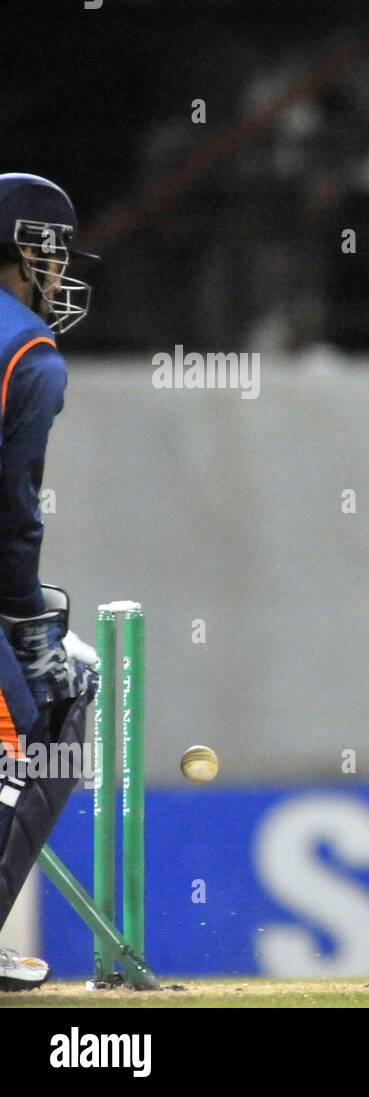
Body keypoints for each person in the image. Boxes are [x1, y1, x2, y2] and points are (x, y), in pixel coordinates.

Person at [0, 173, 99, 991]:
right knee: (59, 709)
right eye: (54, 254)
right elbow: (13, 518)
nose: (59, 274)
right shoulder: (29, 350)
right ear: (25, 248)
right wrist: (33, 631)